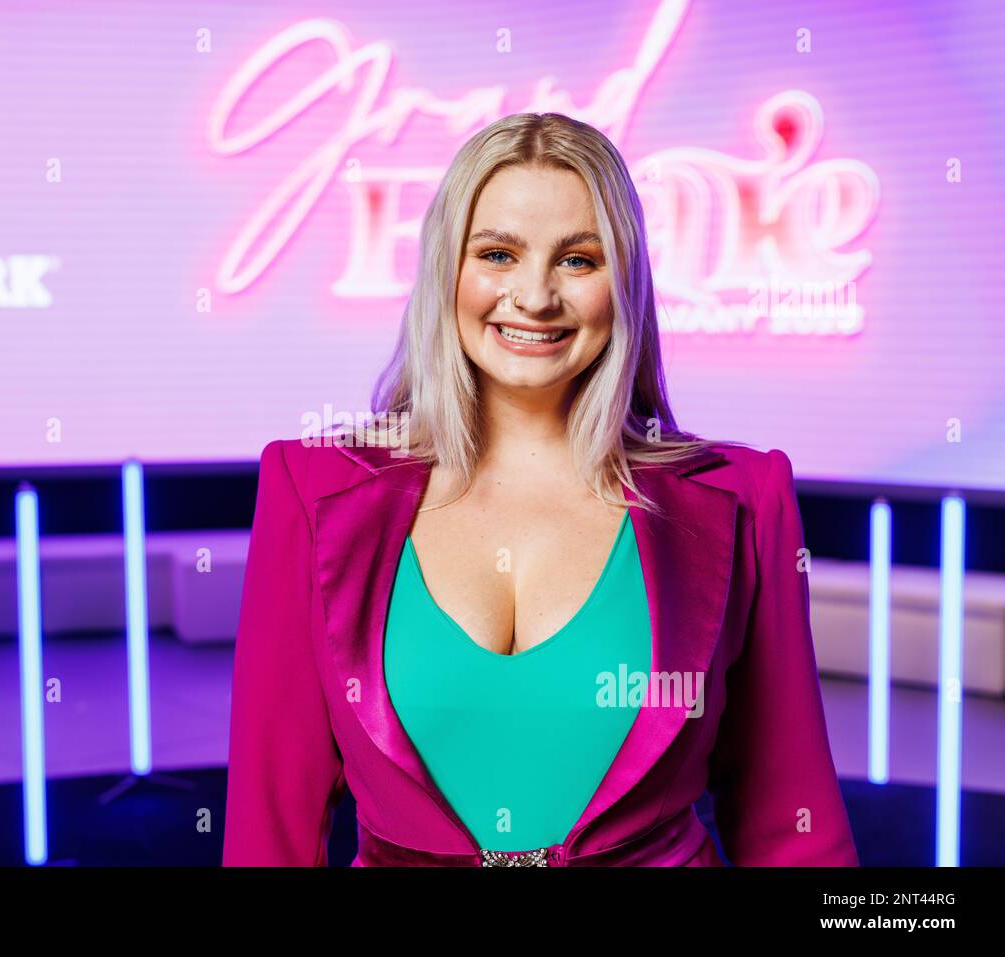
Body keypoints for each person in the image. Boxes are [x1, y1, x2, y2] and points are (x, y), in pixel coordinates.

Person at [222, 112, 859, 867]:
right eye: (497, 253)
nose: (534, 296)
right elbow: (268, 834)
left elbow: (793, 824)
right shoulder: (310, 491)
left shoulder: (745, 498)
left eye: (578, 261)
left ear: (623, 281)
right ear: (445, 269)